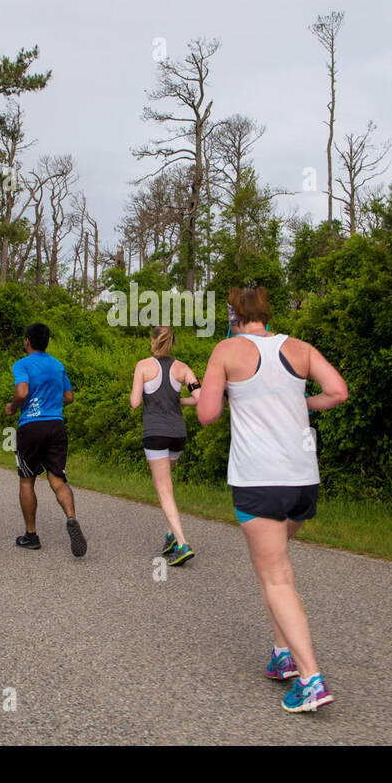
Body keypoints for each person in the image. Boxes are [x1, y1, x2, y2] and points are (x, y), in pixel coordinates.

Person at [196, 286, 348, 713]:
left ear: (233, 316)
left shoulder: (226, 351)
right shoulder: (300, 348)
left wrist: (223, 392)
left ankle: (311, 679)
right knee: (276, 568)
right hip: (302, 481)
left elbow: (206, 415)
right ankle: (282, 655)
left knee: (276, 577)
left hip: (259, 480)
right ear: (267, 315)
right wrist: (303, 403)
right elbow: (338, 391)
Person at [4, 322, 86, 557]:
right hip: (56, 425)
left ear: (27, 341)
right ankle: (71, 518)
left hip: (31, 426)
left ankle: (31, 535)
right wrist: (52, 402)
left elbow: (21, 392)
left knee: (27, 479)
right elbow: (69, 397)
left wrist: (11, 408)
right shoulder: (58, 365)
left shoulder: (22, 364)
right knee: (57, 479)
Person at [129, 325, 201, 566]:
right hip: (178, 434)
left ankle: (182, 544)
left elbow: (135, 402)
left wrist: (142, 390)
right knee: (167, 486)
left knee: (163, 489)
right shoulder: (183, 368)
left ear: (153, 342)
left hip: (155, 433)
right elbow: (200, 398)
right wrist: (179, 399)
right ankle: (170, 534)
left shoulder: (143, 366)